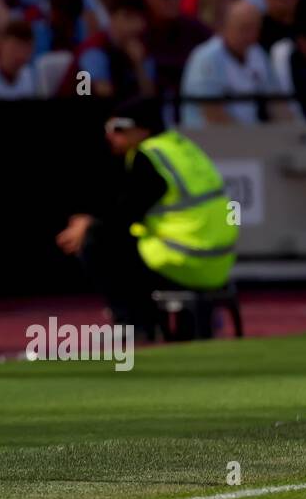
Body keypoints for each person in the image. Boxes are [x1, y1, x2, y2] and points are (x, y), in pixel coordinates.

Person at [56, 96, 239, 339]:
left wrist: (89, 224)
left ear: (143, 130)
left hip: (184, 262)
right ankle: (173, 323)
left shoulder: (148, 157)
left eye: (118, 128)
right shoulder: (182, 147)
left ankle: (131, 325)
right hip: (220, 263)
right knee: (127, 237)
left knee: (95, 239)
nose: (110, 135)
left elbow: (126, 213)